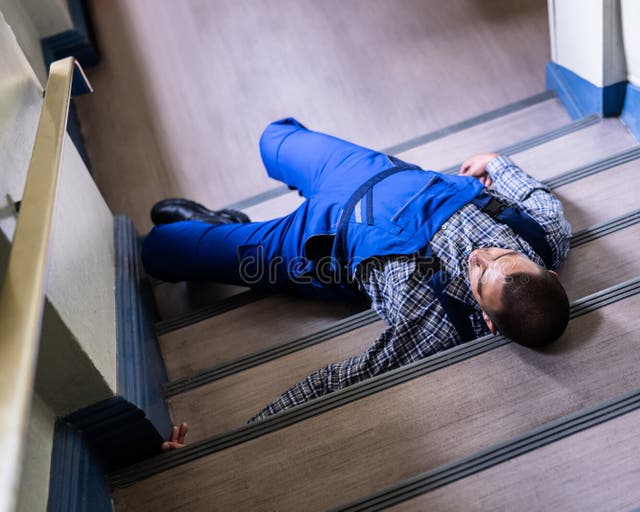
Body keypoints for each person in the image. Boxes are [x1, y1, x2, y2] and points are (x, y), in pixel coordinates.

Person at [143, 118, 571, 449]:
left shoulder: (437, 328)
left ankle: (225, 229)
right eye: (501, 254)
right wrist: (494, 161)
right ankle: (228, 228)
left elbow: (333, 383)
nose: (479, 255)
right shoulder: (544, 235)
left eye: (479, 275)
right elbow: (536, 195)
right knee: (273, 137)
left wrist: (221, 447)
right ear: (545, 270)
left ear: (488, 321)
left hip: (319, 240)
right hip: (368, 172)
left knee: (160, 250)